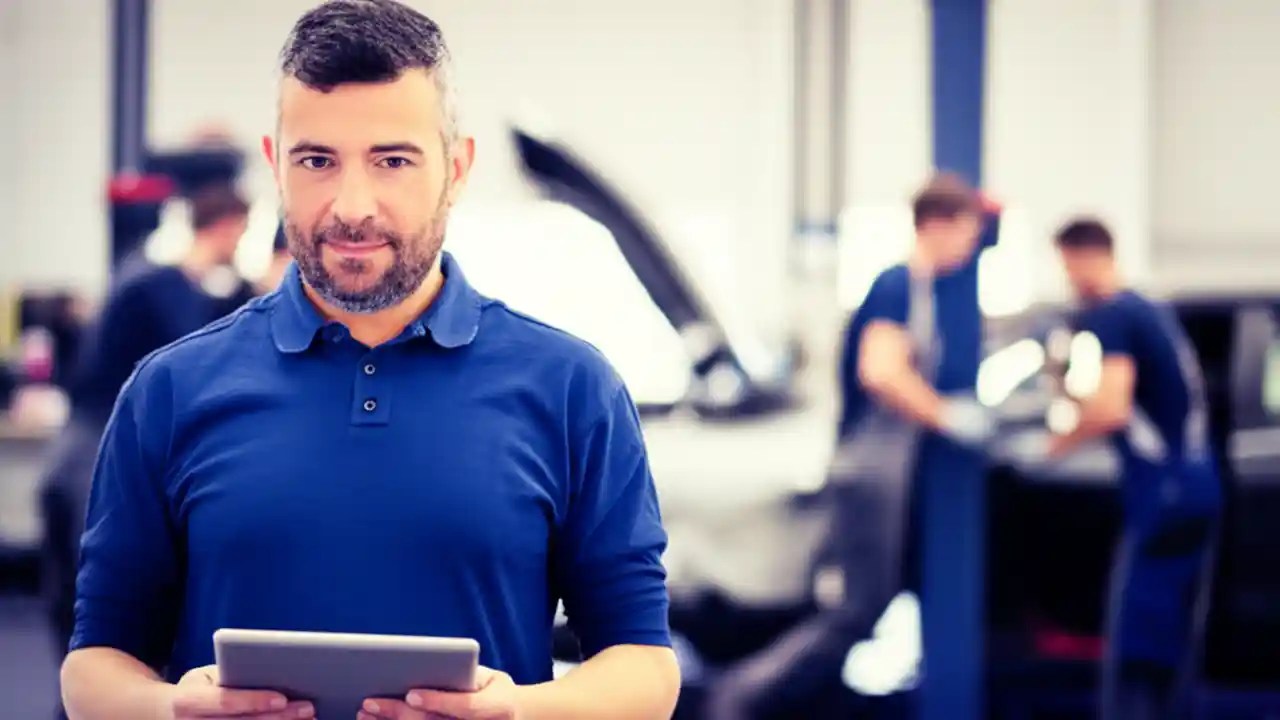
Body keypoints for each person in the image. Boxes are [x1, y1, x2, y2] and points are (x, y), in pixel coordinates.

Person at [59, 2, 680, 720]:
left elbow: (644, 668)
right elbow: (94, 666)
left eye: (392, 160)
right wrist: (169, 709)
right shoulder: (169, 391)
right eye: (317, 160)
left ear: (456, 168)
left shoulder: (574, 389)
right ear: (276, 165)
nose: (352, 205)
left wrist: (520, 714)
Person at [703, 174, 997, 719]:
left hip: (888, 470)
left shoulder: (923, 290)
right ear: (936, 224)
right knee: (859, 608)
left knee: (868, 602)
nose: (972, 245)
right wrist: (948, 415)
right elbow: (880, 370)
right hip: (870, 470)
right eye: (967, 231)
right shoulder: (895, 284)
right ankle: (740, 697)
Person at [40, 183, 252, 664]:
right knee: (100, 601)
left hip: (90, 438)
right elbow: (189, 361)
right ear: (224, 229)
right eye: (239, 233)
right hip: (92, 444)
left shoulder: (160, 283)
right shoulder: (157, 290)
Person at [1045, 218, 1221, 720]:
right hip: (1195, 485)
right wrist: (1065, 387)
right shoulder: (1150, 310)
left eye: (1067, 265)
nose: (1068, 279)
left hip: (1161, 496)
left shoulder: (1112, 315)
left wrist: (1054, 444)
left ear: (1084, 256)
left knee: (1134, 642)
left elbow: (1112, 409)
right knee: (1174, 637)